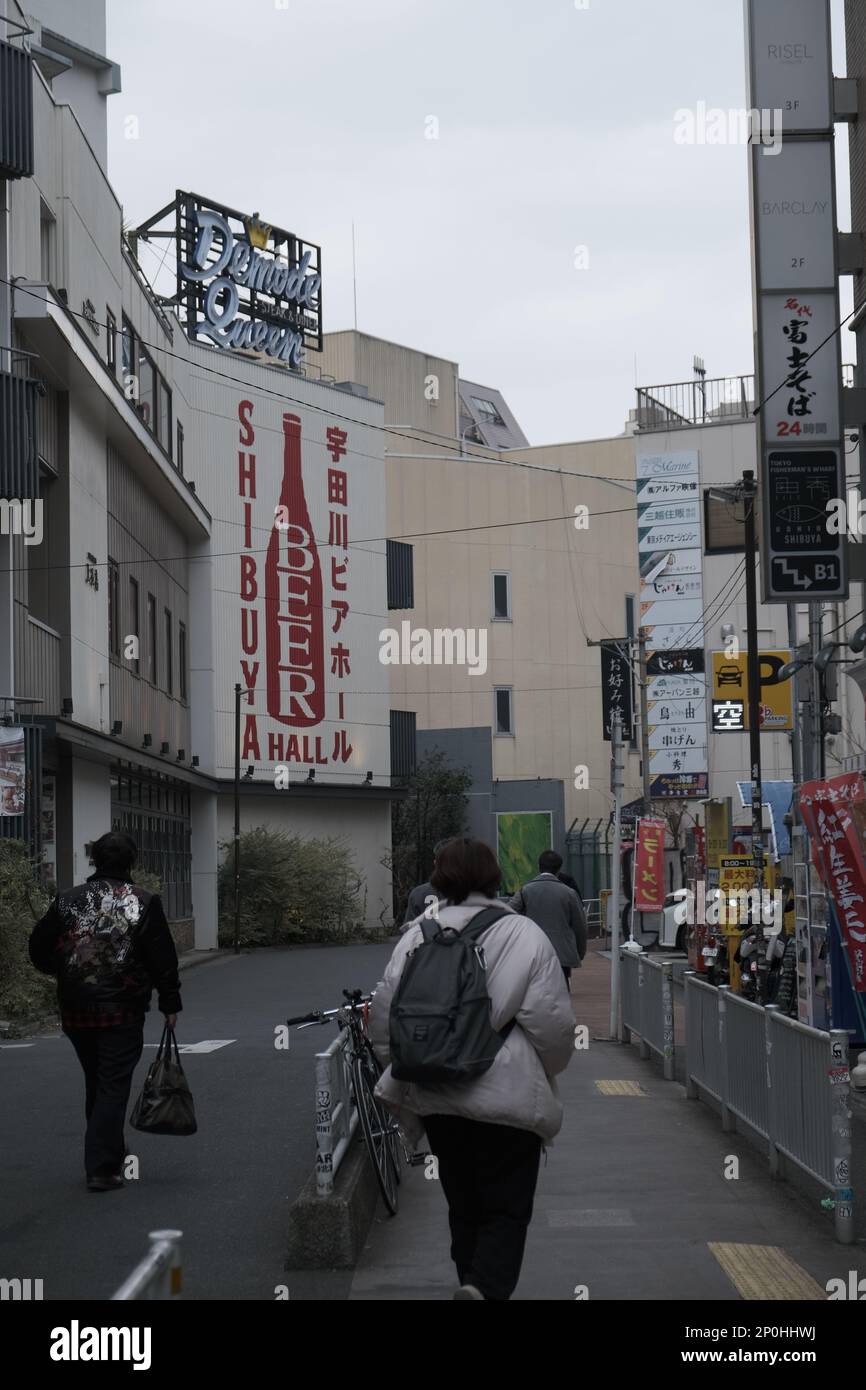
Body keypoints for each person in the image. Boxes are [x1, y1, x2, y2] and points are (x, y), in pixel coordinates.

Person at [370, 837, 574, 1301]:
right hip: (509, 1102)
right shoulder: (522, 933)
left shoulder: (416, 934)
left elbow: (385, 1019)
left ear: (439, 878)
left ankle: (469, 1282)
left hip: (439, 1099)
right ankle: (482, 1289)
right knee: (506, 1211)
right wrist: (550, 1069)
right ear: (493, 876)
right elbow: (553, 1027)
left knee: (463, 1209)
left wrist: (414, 1063)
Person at [28, 831, 182, 1192]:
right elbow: (162, 958)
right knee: (113, 1084)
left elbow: (37, 948)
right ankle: (101, 1167)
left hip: (76, 1006)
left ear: (95, 860)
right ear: (132, 862)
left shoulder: (67, 901)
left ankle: (109, 1149)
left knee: (97, 1080)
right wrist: (169, 1002)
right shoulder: (142, 901)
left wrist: (65, 968)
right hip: (122, 1007)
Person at [509, 850, 587, 988]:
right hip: (562, 954)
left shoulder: (525, 890)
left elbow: (508, 913)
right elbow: (580, 926)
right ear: (559, 869)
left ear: (539, 867)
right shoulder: (569, 893)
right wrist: (579, 952)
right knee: (561, 994)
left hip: (532, 951)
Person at [401, 837, 450, 929]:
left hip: (427, 942)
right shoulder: (476, 893)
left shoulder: (420, 893)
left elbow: (409, 933)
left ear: (436, 863)